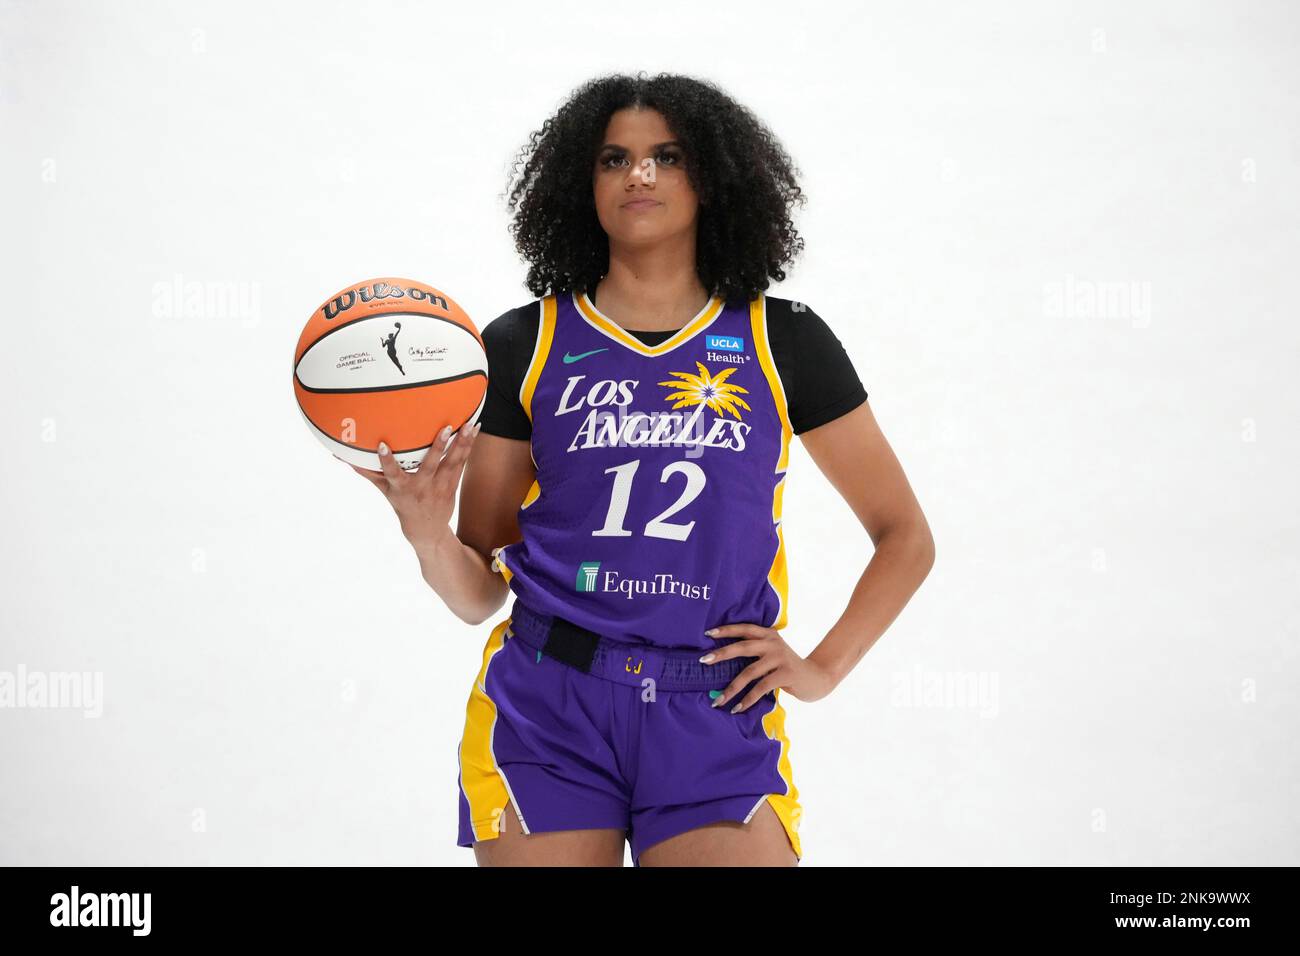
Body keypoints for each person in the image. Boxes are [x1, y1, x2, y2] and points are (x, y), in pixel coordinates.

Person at [352, 72, 935, 866]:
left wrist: (822, 670)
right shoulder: (525, 343)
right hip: (548, 705)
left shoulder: (781, 339)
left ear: (714, 176)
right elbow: (478, 593)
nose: (640, 175)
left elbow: (904, 535)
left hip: (715, 704)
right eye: (613, 159)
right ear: (578, 183)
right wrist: (423, 531)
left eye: (668, 156)